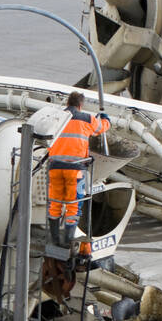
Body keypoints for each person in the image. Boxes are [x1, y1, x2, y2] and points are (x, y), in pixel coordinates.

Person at [48, 91, 110, 246]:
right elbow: (103, 127)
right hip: (75, 169)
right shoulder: (87, 119)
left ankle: (54, 239)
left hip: (54, 167)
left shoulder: (56, 117)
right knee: (73, 204)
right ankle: (68, 240)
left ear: (68, 103)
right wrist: (105, 118)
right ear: (81, 105)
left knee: (55, 202)